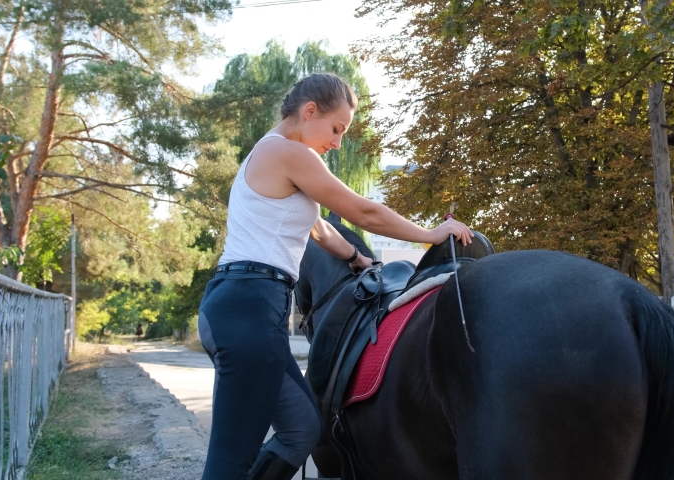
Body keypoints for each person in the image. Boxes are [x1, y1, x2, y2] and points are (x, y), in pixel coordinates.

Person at [196, 72, 474, 480]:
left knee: (302, 429)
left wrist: (356, 257)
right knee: (230, 459)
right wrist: (431, 234)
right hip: (248, 305)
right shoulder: (289, 153)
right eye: (337, 129)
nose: (338, 142)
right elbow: (364, 212)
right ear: (310, 111)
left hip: (249, 305)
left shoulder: (274, 156)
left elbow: (319, 229)